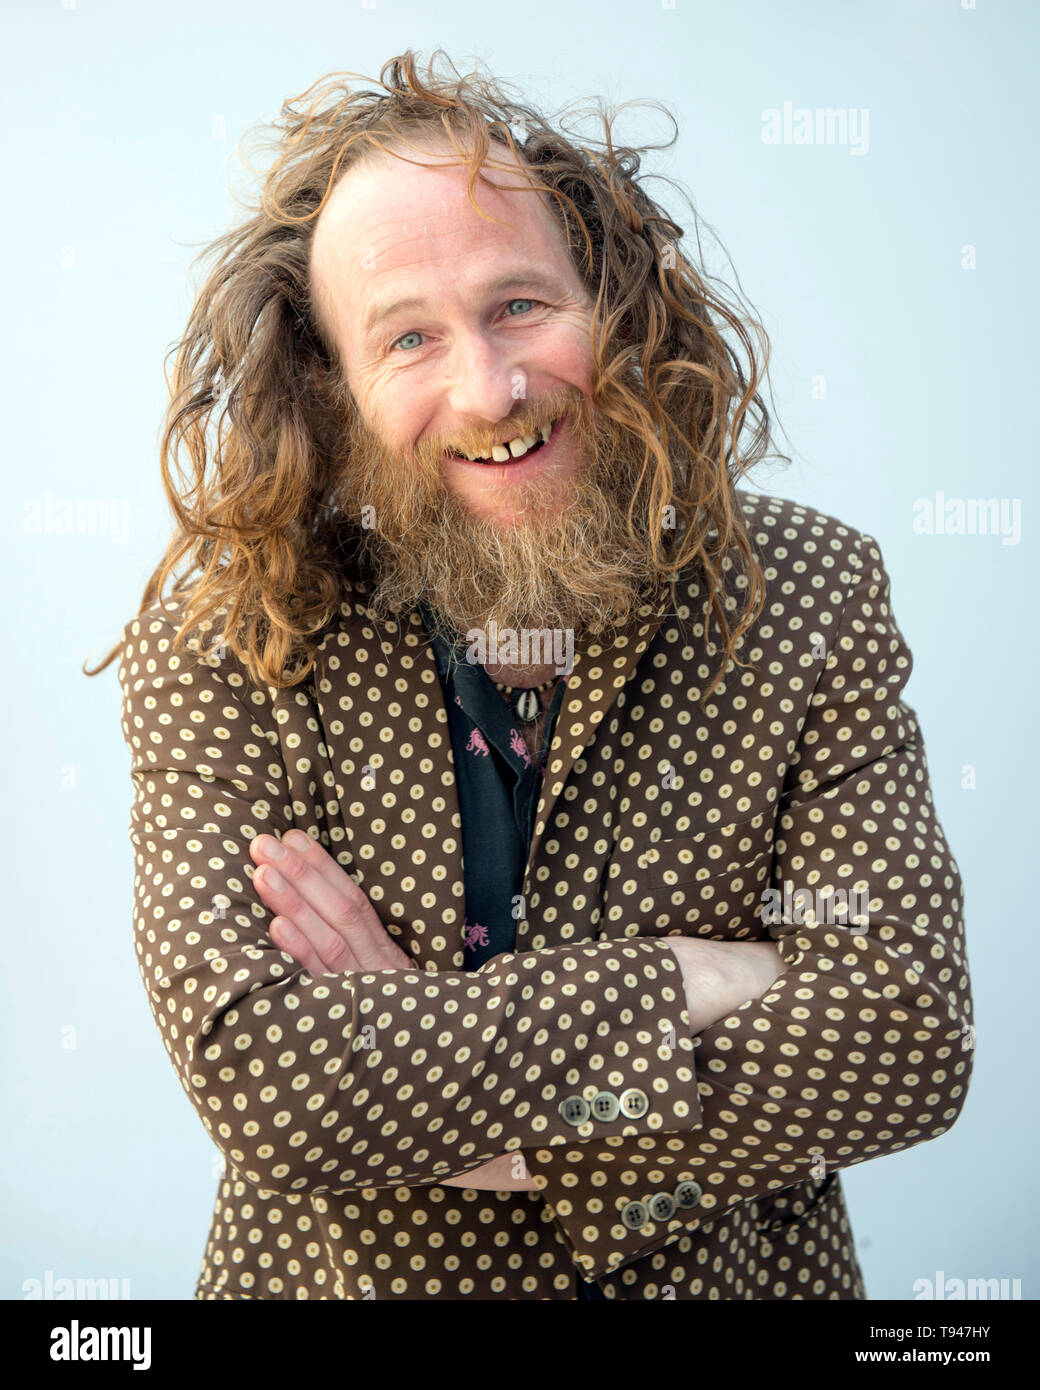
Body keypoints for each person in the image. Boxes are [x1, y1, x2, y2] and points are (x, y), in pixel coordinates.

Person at [92, 49, 973, 1300]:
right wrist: (691, 974)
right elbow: (265, 1079)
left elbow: (905, 1033)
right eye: (407, 337)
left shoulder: (810, 596)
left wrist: (427, 1075)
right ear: (331, 388)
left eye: (518, 305)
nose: (489, 388)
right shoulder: (230, 645)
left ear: (608, 304)